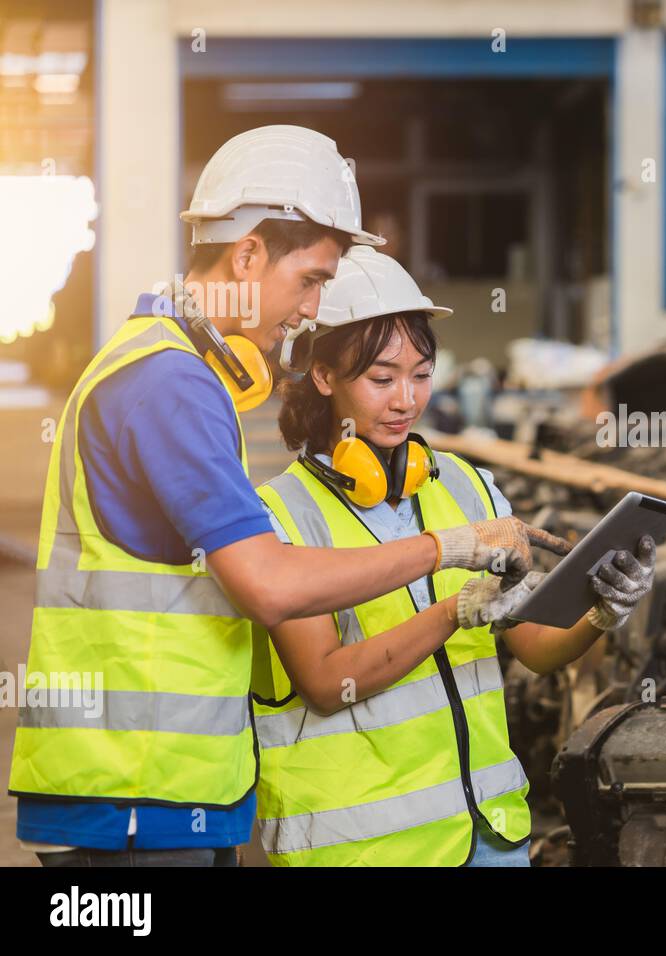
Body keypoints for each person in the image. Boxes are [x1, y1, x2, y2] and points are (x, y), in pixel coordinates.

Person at [9, 126, 566, 867]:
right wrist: (451, 549)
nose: (310, 310)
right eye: (310, 279)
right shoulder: (170, 382)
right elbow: (268, 585)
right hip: (135, 796)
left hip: (160, 791)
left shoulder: (169, 373)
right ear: (247, 254)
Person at [253, 246, 656, 866]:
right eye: (382, 378)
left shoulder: (465, 487)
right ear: (325, 376)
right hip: (363, 850)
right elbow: (329, 683)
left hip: (488, 836)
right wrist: (453, 613)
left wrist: (601, 612)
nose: (406, 400)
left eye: (421, 373)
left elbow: (535, 649)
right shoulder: (278, 517)